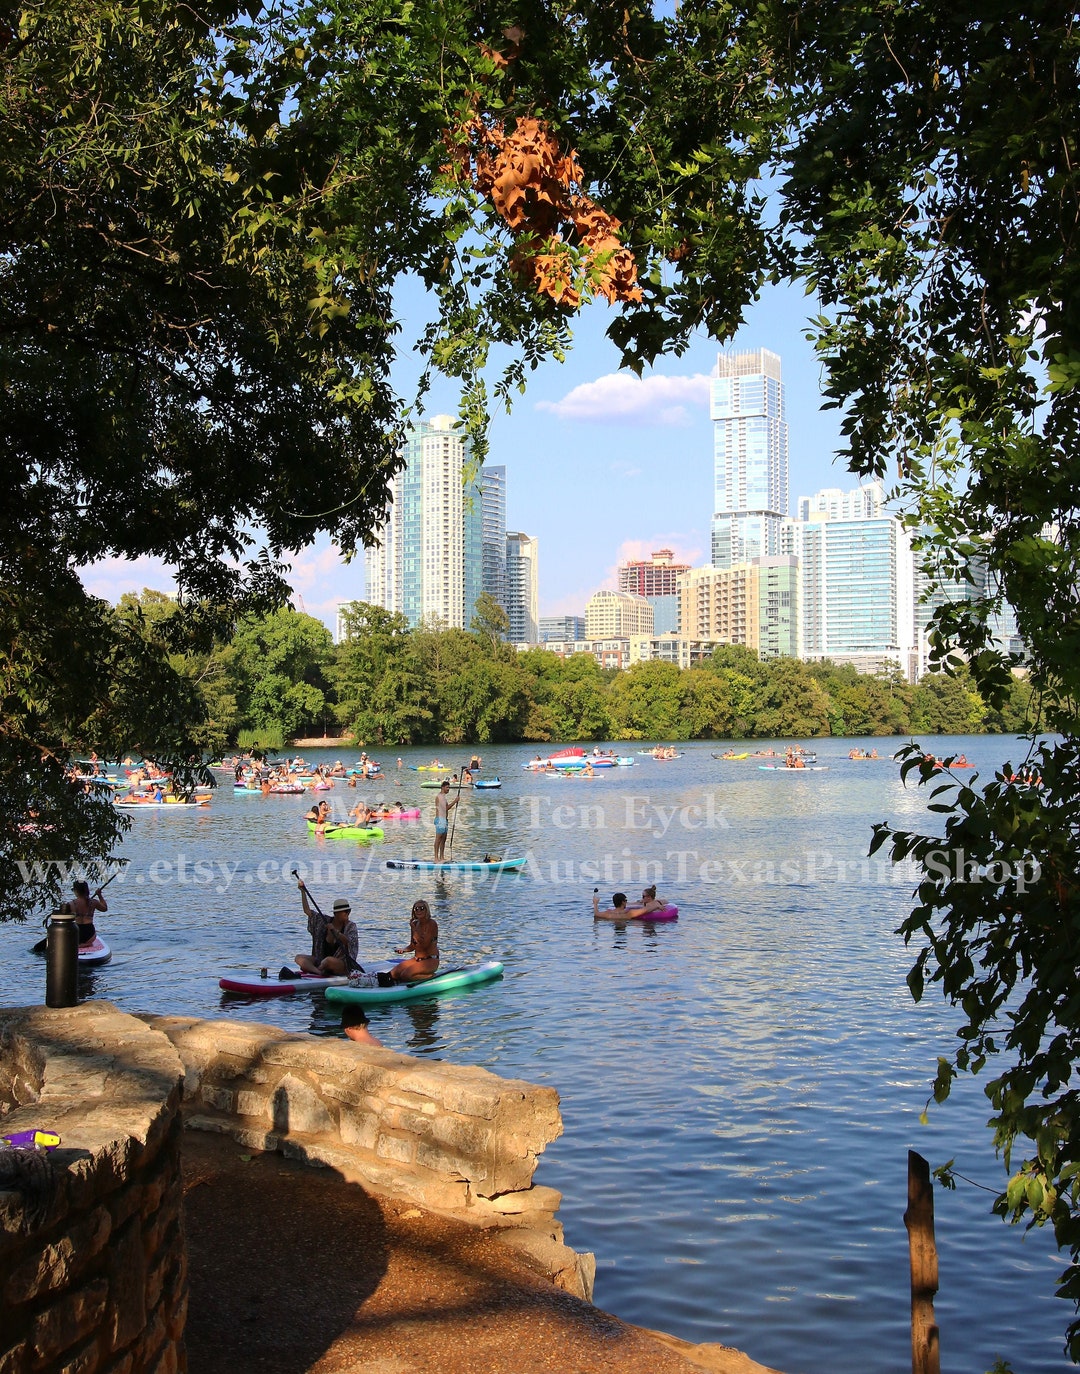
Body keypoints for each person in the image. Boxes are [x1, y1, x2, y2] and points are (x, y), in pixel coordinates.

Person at [291, 883, 360, 977]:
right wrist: (303, 892)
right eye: (345, 912)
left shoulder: (351, 926)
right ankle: (318, 972)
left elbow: (348, 941)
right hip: (321, 960)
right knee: (299, 958)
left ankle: (315, 970)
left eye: (348, 911)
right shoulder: (324, 921)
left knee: (328, 960)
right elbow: (307, 911)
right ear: (336, 913)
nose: (348, 913)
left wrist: (335, 932)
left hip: (342, 963)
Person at [380, 900, 439, 985]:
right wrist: (403, 950)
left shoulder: (432, 924)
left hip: (430, 960)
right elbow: (413, 945)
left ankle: (431, 976)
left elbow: (425, 945)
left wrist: (415, 929)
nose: (419, 911)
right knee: (393, 974)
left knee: (405, 975)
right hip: (417, 959)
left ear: (426, 910)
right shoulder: (415, 924)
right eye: (416, 909)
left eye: (422, 908)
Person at [62, 880, 107, 946]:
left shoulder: (70, 904)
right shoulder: (93, 902)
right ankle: (85, 944)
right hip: (90, 934)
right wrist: (100, 895)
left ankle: (79, 945)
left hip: (76, 932)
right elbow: (104, 908)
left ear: (76, 891)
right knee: (86, 943)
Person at [433, 780, 458, 861]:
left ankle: (442, 857)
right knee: (438, 839)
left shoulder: (444, 797)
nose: (448, 789)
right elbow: (446, 808)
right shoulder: (439, 797)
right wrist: (455, 801)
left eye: (449, 787)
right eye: (447, 787)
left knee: (443, 839)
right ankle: (436, 858)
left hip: (445, 820)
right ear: (442, 787)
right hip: (440, 820)